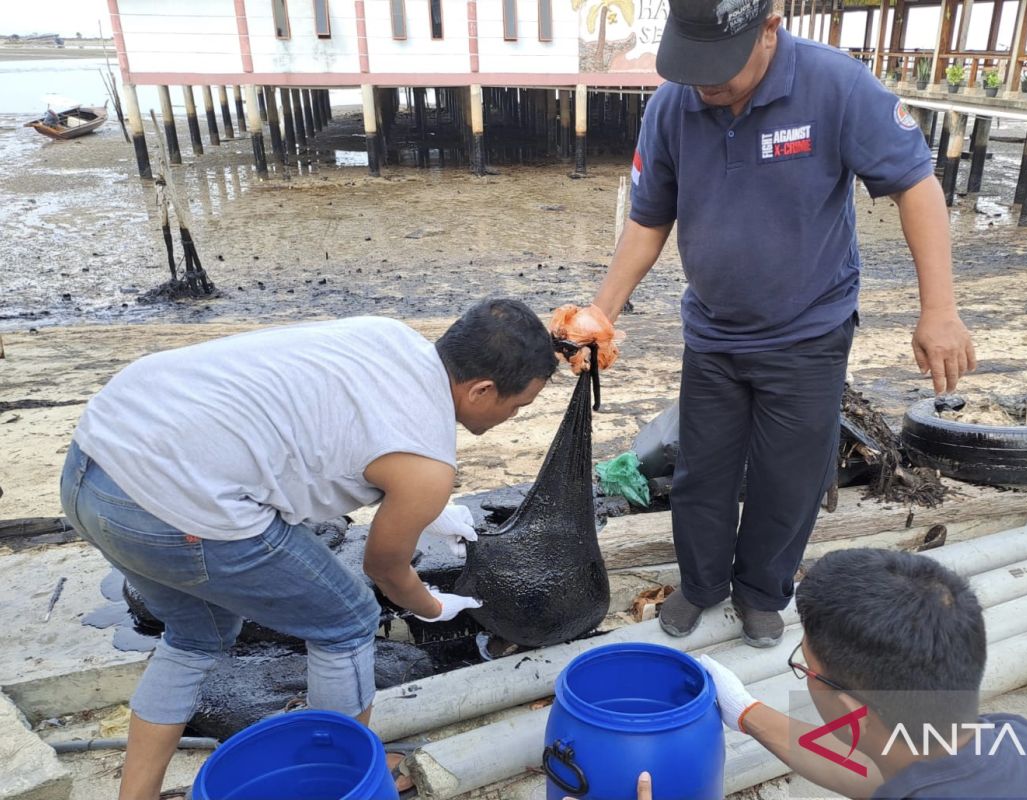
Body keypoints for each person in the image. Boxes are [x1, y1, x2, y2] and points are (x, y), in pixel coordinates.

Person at [552, 0, 975, 648]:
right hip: (715, 334)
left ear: (769, 28)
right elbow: (647, 220)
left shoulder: (836, 85)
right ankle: (700, 585)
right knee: (702, 471)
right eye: (692, 67)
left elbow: (915, 184)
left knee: (790, 479)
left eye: (718, 67)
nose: (706, 84)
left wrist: (940, 310)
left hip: (809, 332)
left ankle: (761, 593)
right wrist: (602, 311)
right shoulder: (674, 106)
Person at [60, 300, 557, 800]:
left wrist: (424, 504)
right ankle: (342, 778)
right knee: (347, 620)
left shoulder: (388, 335)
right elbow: (384, 567)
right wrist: (434, 605)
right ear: (481, 390)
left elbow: (327, 436)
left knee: (195, 636)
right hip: (171, 506)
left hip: (95, 457)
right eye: (518, 407)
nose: (514, 417)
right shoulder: (428, 466)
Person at [698, 548, 1027, 799]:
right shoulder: (1021, 742)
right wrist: (746, 712)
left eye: (804, 667)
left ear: (852, 710)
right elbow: (877, 778)